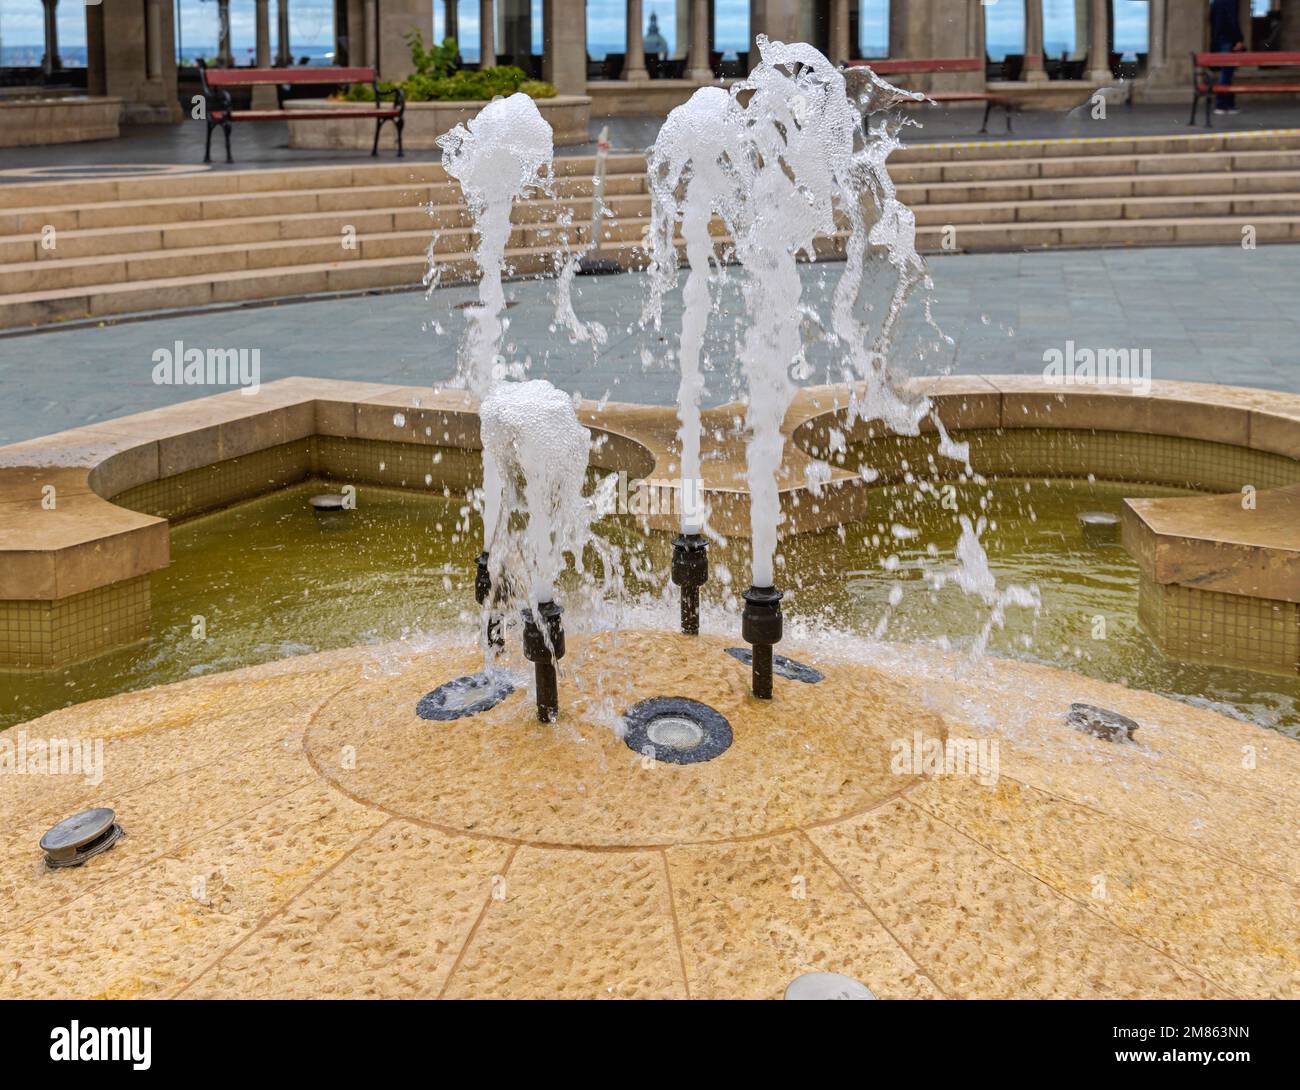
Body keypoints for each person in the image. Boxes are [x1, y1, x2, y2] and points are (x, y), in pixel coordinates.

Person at [1209, 0, 1247, 114]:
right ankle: (1222, 104)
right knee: (1227, 73)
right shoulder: (1230, 2)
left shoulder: (1215, 2)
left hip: (1219, 39)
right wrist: (1239, 39)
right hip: (1228, 40)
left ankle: (1228, 103)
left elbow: (1211, 20)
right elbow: (1233, 21)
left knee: (1226, 72)